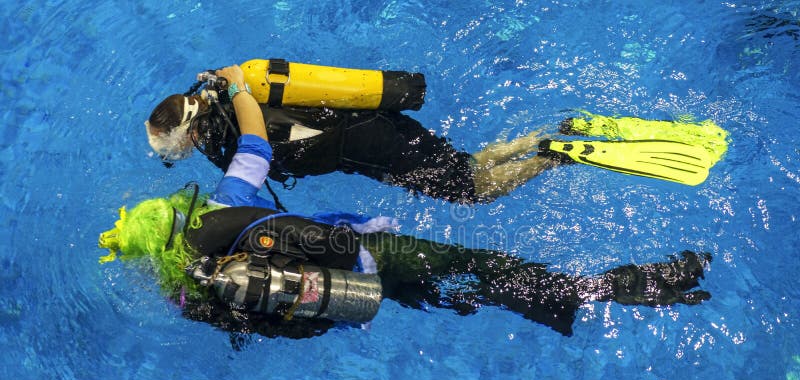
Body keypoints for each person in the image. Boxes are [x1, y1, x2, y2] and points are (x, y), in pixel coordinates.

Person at [104, 65, 713, 338]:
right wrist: (237, 87)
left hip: (359, 272)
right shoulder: (226, 198)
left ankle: (560, 179)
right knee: (481, 250)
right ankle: (607, 270)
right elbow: (257, 141)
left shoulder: (193, 285)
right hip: (370, 241)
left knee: (474, 238)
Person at [145, 61, 729, 203]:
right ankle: (547, 136)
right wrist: (231, 82)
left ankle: (558, 153)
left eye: (170, 155)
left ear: (186, 136)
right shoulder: (217, 95)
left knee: (473, 193)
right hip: (373, 122)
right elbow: (240, 87)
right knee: (472, 164)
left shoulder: (236, 128)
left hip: (374, 147)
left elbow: (255, 143)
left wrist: (242, 95)